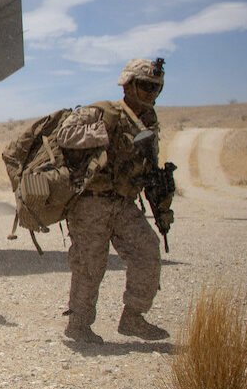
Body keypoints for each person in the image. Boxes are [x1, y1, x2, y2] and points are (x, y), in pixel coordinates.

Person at [57, 58, 173, 344]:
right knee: (90, 264)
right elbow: (65, 134)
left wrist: (161, 201)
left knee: (148, 251)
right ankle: (79, 325)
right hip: (91, 202)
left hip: (123, 203)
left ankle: (133, 318)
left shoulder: (149, 123)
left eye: (157, 88)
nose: (152, 93)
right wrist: (103, 134)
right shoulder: (103, 112)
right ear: (129, 85)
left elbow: (146, 168)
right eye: (146, 86)